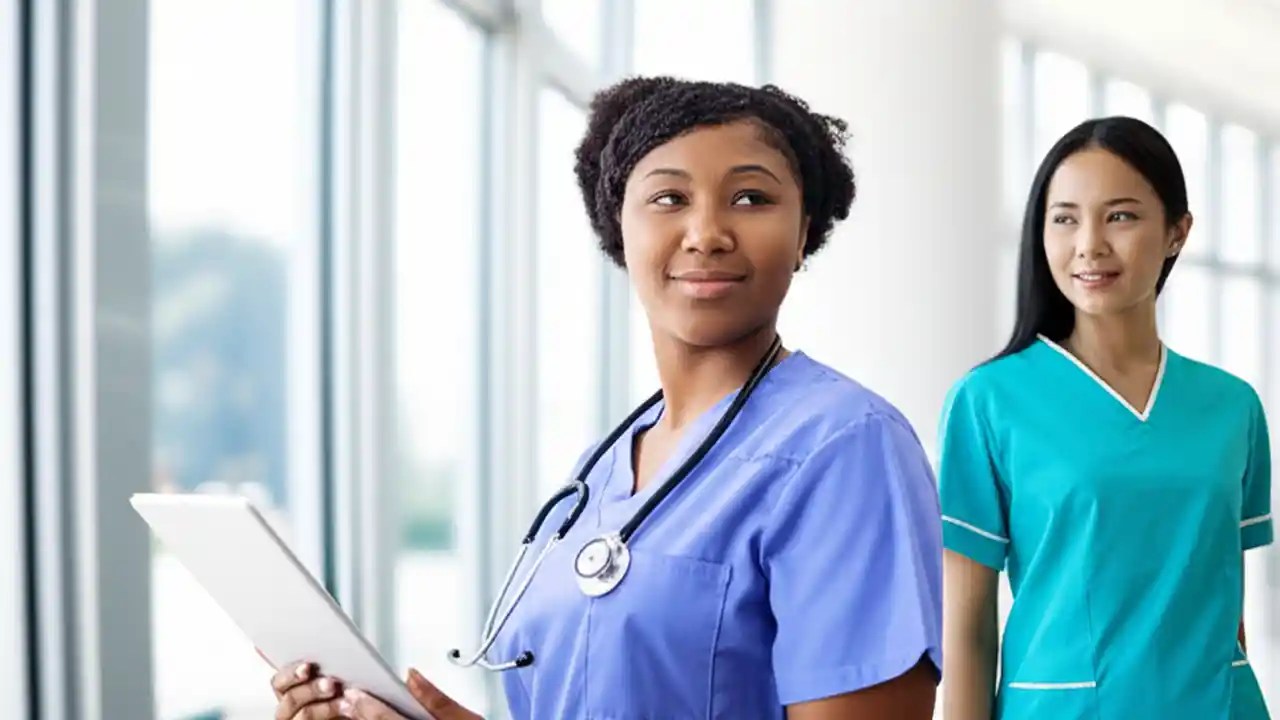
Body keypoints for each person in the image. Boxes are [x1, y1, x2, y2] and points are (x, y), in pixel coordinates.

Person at [270, 76, 943, 719]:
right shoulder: (600, 469)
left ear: (804, 234)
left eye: (749, 199)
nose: (707, 233)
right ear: (617, 230)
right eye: (669, 199)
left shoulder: (847, 448)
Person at [940, 116, 1273, 719]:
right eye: (1064, 218)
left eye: (1120, 215)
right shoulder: (989, 400)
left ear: (1177, 232)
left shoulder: (1232, 406)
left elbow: (1222, 602)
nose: (1089, 244)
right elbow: (966, 628)